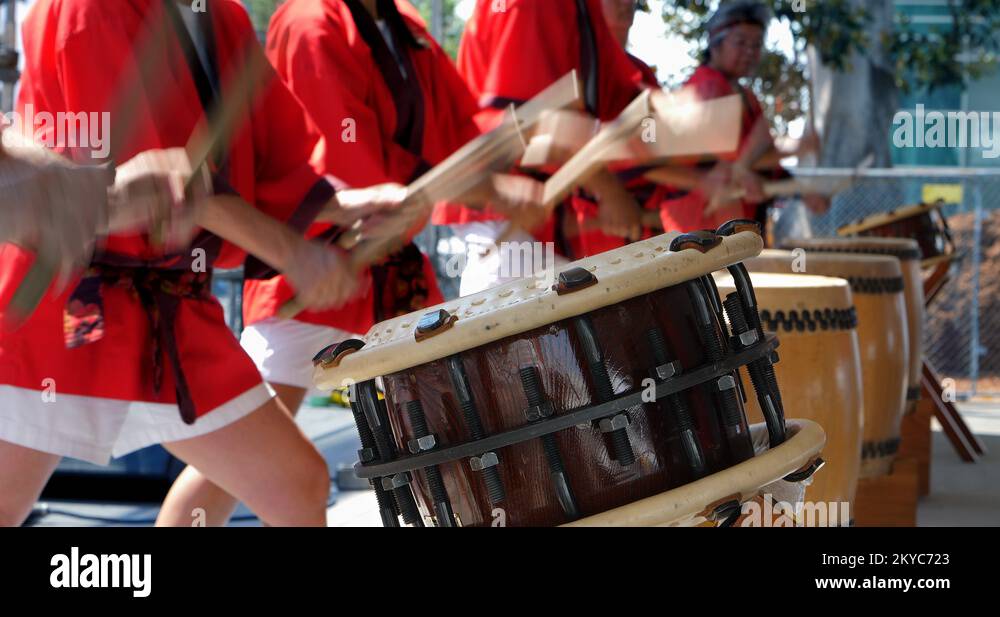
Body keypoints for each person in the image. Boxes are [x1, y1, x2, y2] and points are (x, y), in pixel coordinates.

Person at [0, 0, 400, 528]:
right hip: (67, 310)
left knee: (295, 483)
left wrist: (340, 206)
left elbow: (255, 159)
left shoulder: (220, 14)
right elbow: (164, 190)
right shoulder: (88, 9)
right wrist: (293, 254)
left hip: (172, 315)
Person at [157, 0, 540, 526]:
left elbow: (462, 128)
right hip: (314, 265)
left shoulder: (407, 26)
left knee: (454, 429)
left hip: (392, 274)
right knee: (244, 463)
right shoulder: (311, 20)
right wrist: (484, 183)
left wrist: (520, 153)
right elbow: (341, 156)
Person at [432, 0, 648, 295]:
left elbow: (619, 120)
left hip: (530, 207)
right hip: (498, 201)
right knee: (515, 314)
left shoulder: (582, 10)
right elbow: (536, 123)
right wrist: (609, 191)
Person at [654, 0, 828, 233]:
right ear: (716, 44)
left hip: (733, 221)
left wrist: (799, 188)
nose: (750, 52)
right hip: (701, 224)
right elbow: (736, 163)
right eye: (741, 43)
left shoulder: (747, 97)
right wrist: (795, 148)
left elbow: (756, 161)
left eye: (756, 45)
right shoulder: (706, 88)